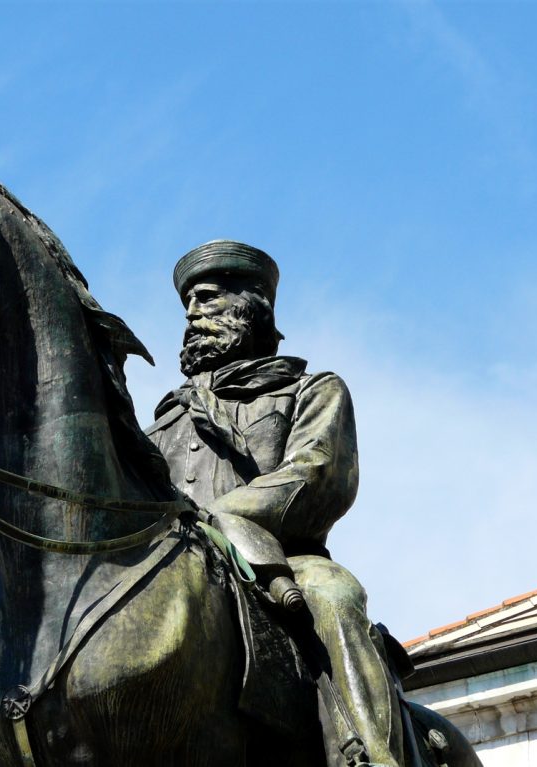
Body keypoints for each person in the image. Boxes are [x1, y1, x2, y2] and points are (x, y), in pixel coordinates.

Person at [145, 240, 403, 767]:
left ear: (252, 304)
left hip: (284, 559)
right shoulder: (162, 423)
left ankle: (374, 756)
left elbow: (317, 473)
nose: (192, 313)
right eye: (187, 304)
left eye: (209, 298)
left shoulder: (311, 390)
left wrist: (223, 515)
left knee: (335, 598)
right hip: (178, 565)